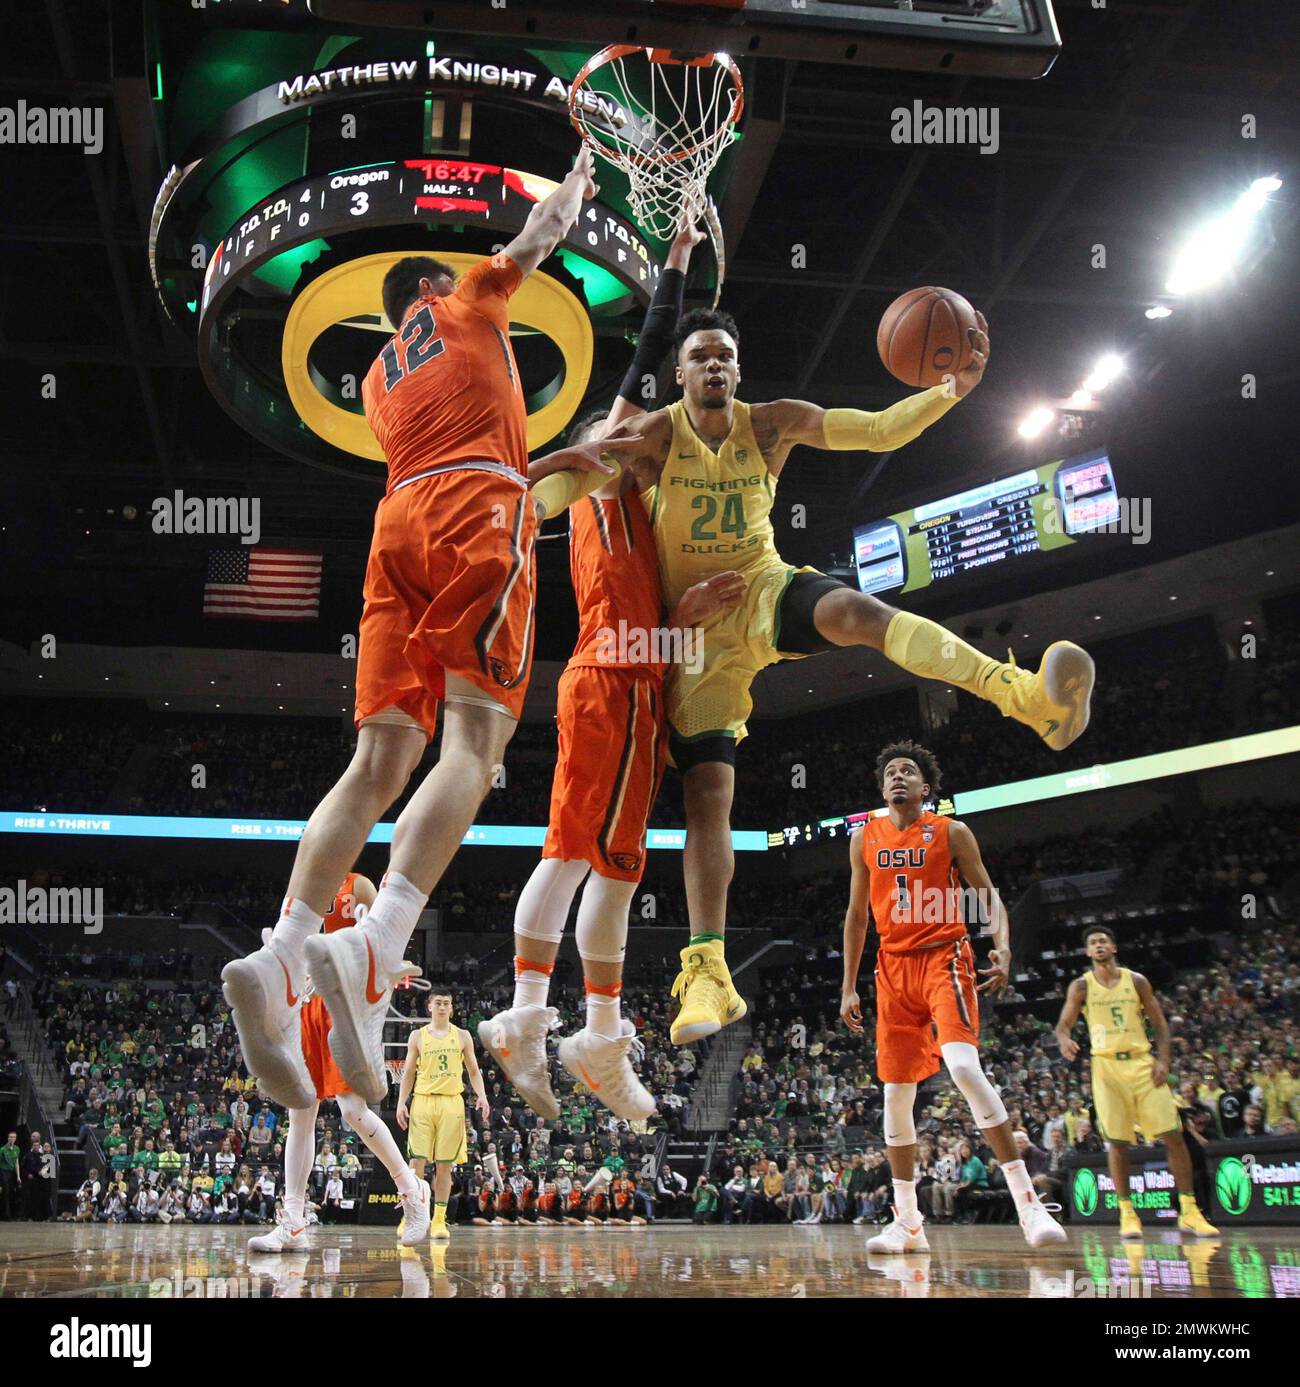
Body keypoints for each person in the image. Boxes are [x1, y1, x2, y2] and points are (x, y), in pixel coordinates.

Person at [219, 142, 625, 1111]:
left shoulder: (372, 378)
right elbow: (539, 235)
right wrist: (574, 182)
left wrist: (557, 454)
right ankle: (376, 942)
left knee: (374, 764)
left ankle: (280, 955)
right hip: (475, 515)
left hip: (393, 525)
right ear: (437, 286)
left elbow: (458, 435)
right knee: (476, 745)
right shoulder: (470, 301)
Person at [590, 304, 1094, 1043]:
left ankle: (1027, 700)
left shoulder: (774, 422)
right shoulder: (658, 435)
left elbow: (879, 430)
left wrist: (950, 389)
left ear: (738, 368)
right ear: (680, 371)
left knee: (861, 612)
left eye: (725, 354)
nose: (714, 365)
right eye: (700, 355)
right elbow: (580, 487)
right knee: (708, 798)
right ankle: (707, 971)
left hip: (761, 586)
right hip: (695, 633)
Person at [479, 219, 742, 1117]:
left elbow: (644, 627)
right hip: (609, 678)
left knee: (620, 867)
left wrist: (684, 620)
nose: (637, 428)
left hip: (632, 675)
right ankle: (522, 1014)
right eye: (624, 422)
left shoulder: (627, 499)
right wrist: (675, 259)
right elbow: (652, 350)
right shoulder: (603, 468)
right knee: (570, 853)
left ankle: (596, 1033)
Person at [841, 741, 1065, 1252]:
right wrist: (848, 985)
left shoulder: (952, 832)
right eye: (890, 772)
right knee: (895, 1096)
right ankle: (909, 1222)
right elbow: (856, 916)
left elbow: (989, 896)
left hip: (945, 957)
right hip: (892, 969)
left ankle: (1030, 1208)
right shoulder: (863, 839)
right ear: (882, 789)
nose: (898, 777)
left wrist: (1003, 948)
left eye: (908, 772)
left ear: (926, 788)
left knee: (963, 1067)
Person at [248, 873, 432, 1254]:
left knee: (352, 1110)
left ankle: (412, 1192)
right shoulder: (302, 883)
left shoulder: (358, 885)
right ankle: (293, 1222)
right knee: (300, 1111)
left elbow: (376, 940)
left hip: (344, 1001)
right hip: (306, 1002)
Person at [1055, 925, 1219, 1240]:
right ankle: (1127, 1213)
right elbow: (1062, 1026)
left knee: (1174, 1134)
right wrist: (1064, 1040)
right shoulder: (1081, 987)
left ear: (1114, 947)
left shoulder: (1137, 981)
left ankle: (1189, 1211)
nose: (1099, 945)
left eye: (1104, 940)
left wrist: (1164, 1061)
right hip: (1105, 1067)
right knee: (1117, 1143)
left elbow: (1159, 1023)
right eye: (1093, 943)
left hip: (1143, 1063)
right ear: (1088, 952)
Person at [396, 986, 490, 1242]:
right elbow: (408, 1073)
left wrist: (481, 1095)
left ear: (451, 1007)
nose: (441, 1006)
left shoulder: (462, 1036)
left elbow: (473, 1070)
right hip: (424, 1102)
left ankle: (439, 1219)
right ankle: (411, 1216)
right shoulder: (417, 1036)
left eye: (446, 1003)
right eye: (437, 1002)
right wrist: (401, 1102)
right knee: (416, 1164)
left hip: (451, 1103)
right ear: (429, 1006)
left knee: (444, 1165)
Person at [0, 1131, 20, 1220]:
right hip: (4, 1172)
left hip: (12, 1173)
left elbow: (16, 1163)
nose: (12, 1139)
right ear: (8, 1138)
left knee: (12, 1193)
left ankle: (12, 1214)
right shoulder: (3, 1149)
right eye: (10, 1137)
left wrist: (18, 1176)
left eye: (14, 1137)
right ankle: (6, 1215)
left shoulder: (17, 1148)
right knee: (6, 1192)